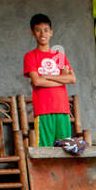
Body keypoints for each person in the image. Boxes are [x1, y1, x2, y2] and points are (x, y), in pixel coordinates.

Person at [23, 14, 78, 148]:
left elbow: (72, 78)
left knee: (65, 148)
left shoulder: (59, 56)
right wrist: (61, 80)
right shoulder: (30, 56)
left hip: (63, 109)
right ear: (32, 33)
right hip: (43, 109)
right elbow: (36, 82)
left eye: (46, 30)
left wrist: (46, 77)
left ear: (51, 32)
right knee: (44, 149)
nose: (43, 33)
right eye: (38, 30)